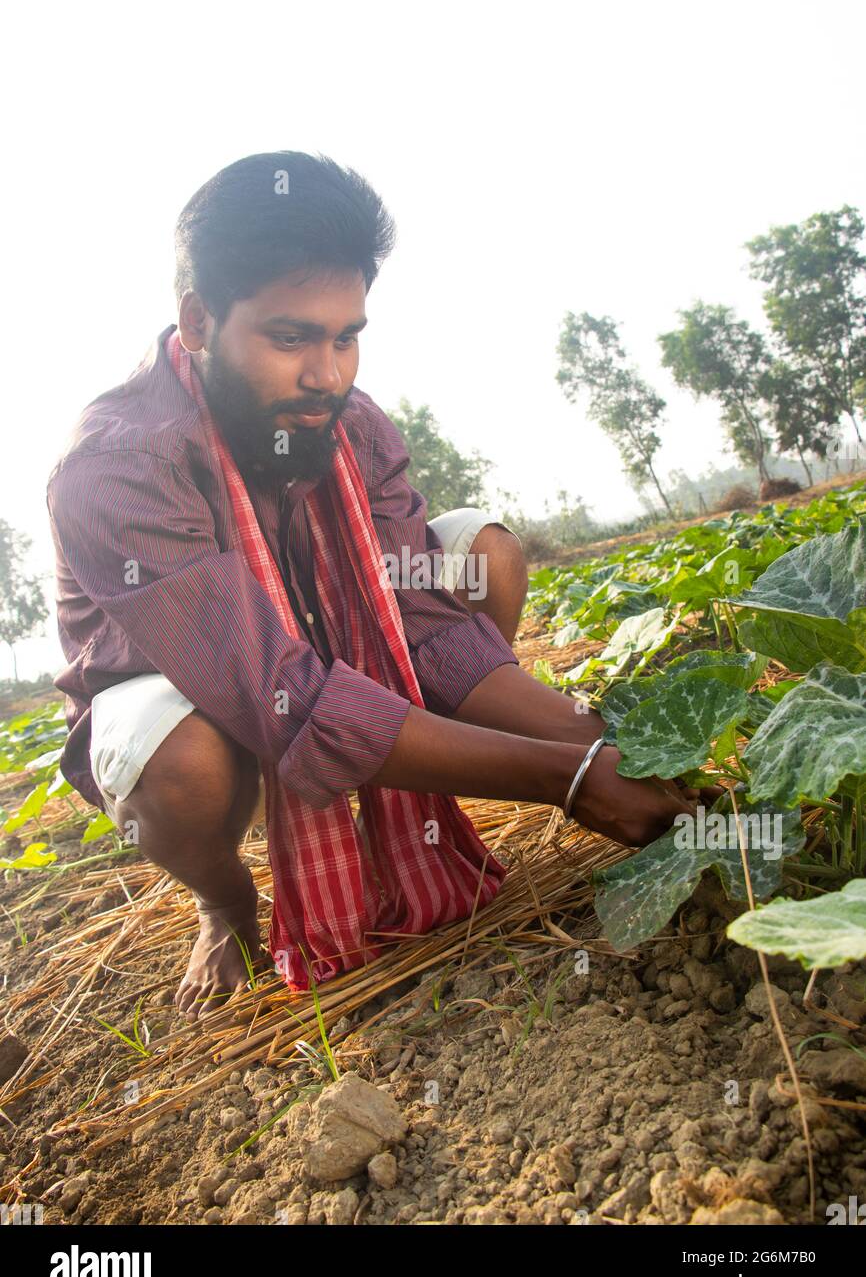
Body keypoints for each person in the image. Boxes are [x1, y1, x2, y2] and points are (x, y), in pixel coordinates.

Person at [46, 151, 701, 1021]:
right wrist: (566, 780)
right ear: (198, 322)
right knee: (186, 769)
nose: (328, 373)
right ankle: (224, 901)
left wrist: (619, 748)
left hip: (321, 663)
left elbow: (427, 629)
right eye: (291, 338)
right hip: (198, 702)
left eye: (347, 335)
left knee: (485, 557)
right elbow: (280, 695)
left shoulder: (349, 426)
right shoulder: (118, 466)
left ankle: (429, 760)